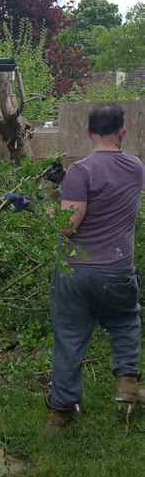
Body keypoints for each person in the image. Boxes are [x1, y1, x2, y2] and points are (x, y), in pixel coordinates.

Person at [46, 102, 144, 431]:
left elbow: (68, 225)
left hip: (75, 272)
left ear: (87, 131)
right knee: (125, 319)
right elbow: (108, 200)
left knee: (70, 338)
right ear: (122, 131)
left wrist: (39, 205)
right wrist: (64, 189)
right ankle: (127, 382)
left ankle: (60, 411)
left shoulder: (81, 172)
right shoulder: (137, 168)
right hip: (117, 269)